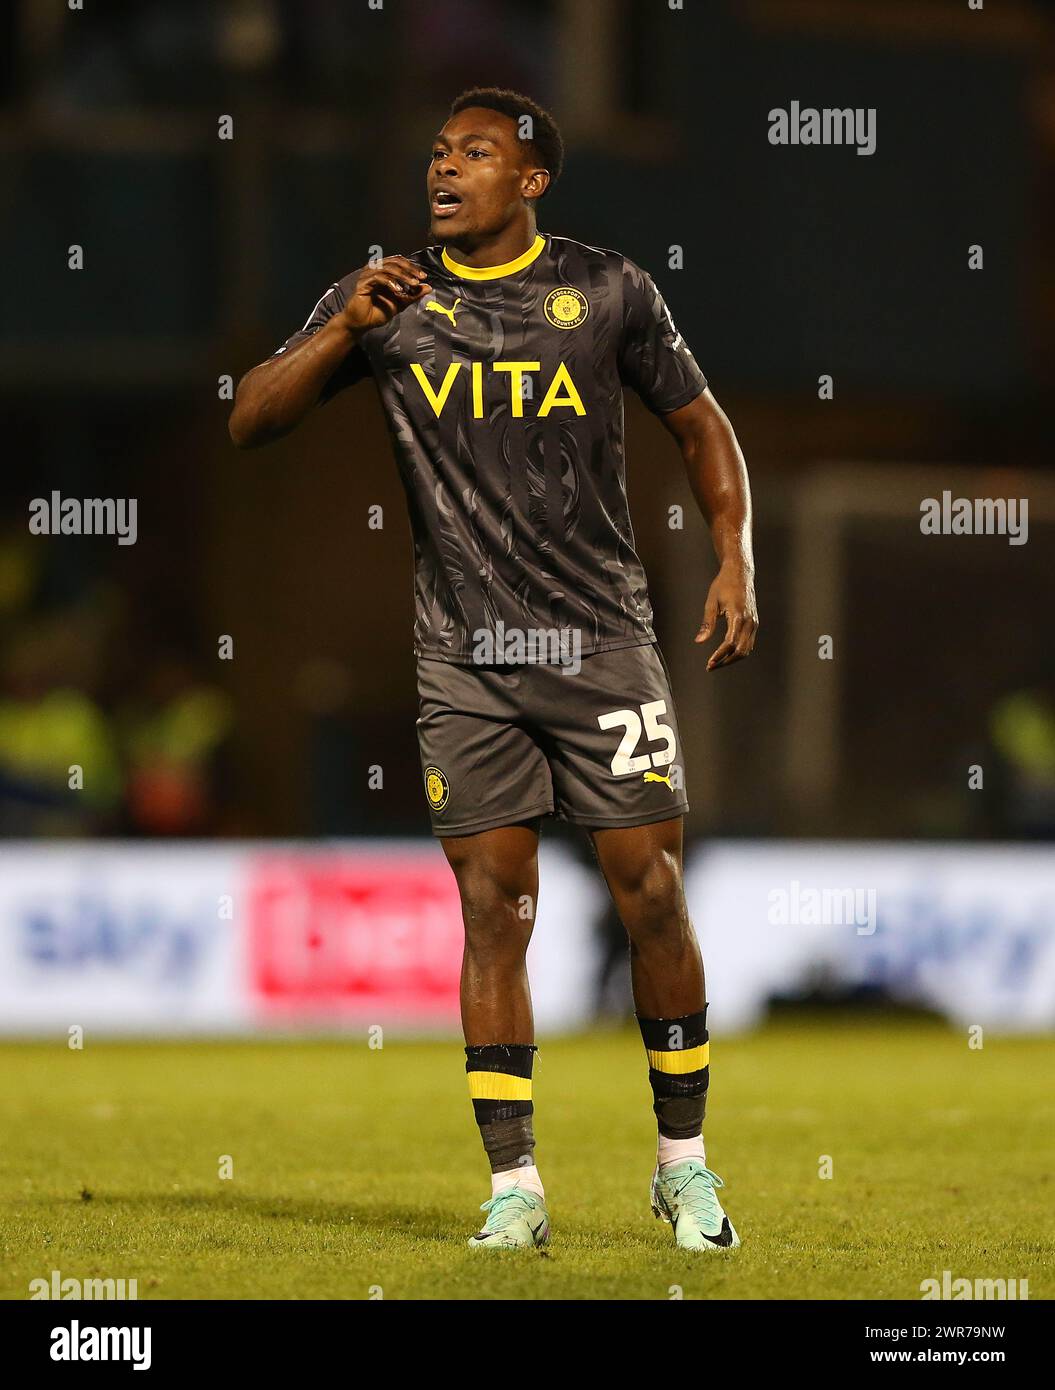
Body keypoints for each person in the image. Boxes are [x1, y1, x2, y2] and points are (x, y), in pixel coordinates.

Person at [230, 87, 758, 1251]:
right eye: (437, 151)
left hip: (598, 644)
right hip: (463, 658)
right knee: (490, 908)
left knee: (653, 894)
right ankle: (514, 1187)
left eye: (476, 152)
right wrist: (338, 331)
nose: (445, 167)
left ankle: (684, 1169)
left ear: (530, 182)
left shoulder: (608, 288)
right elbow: (248, 421)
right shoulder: (386, 298)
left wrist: (734, 558)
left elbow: (699, 422)